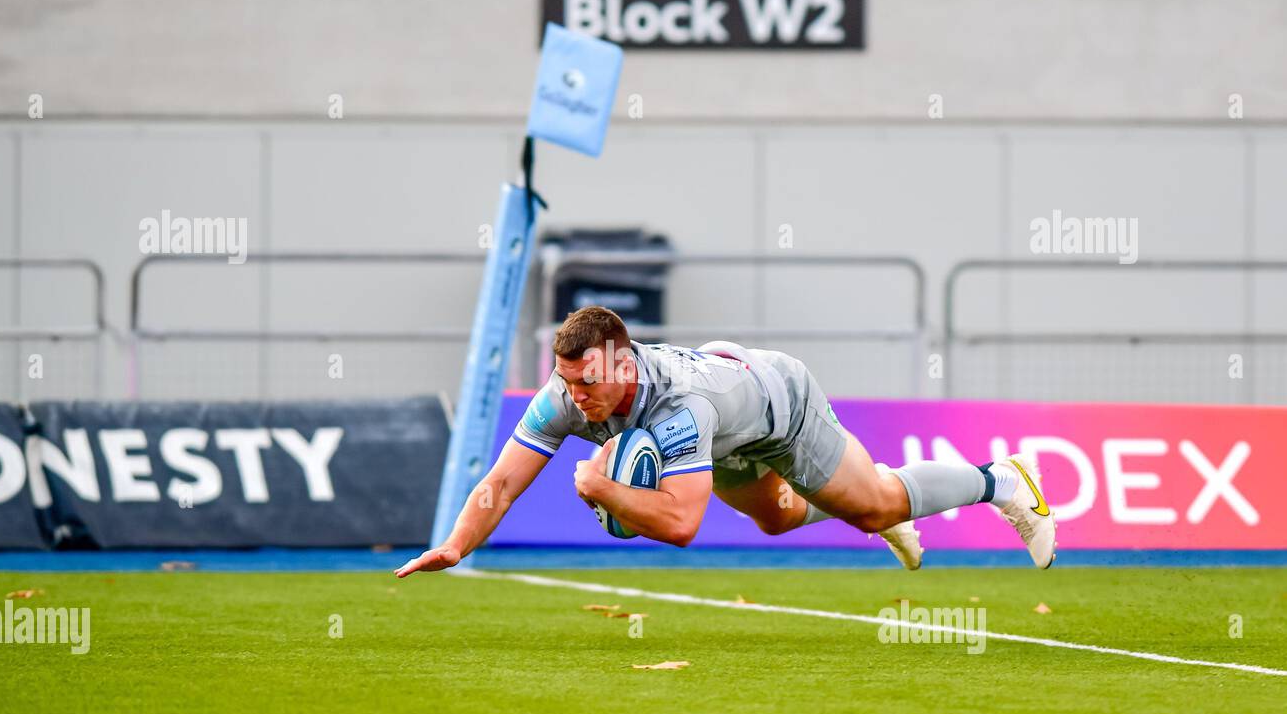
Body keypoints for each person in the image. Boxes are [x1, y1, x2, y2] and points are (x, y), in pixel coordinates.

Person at [396, 305, 1055, 576]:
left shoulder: (679, 409)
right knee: (777, 518)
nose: (575, 397)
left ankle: (1004, 479)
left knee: (876, 504)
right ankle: (866, 490)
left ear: (623, 366)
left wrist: (598, 485)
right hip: (726, 414)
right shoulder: (567, 391)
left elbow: (683, 524)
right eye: (566, 381)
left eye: (586, 382)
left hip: (778, 405)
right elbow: (502, 480)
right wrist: (455, 544)